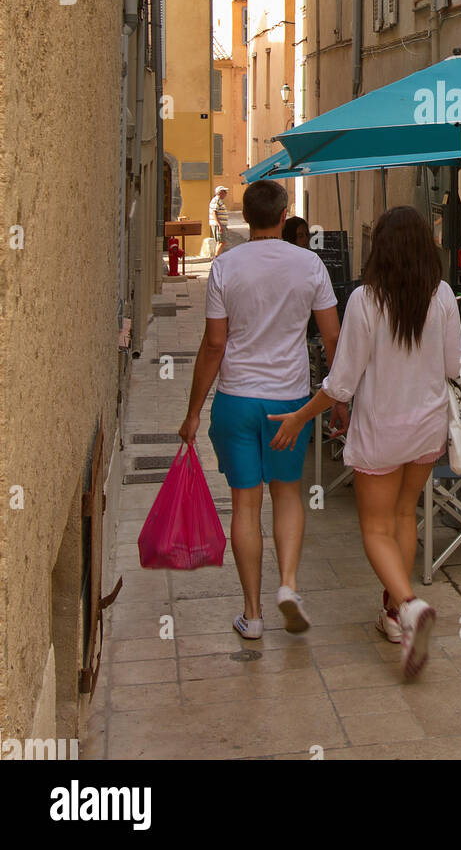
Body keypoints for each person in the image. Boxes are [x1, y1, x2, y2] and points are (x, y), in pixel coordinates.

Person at [267, 205, 461, 679]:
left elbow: (342, 383)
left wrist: (299, 416)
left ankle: (411, 606)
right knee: (403, 516)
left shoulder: (365, 300)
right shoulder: (442, 295)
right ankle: (395, 616)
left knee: (375, 529)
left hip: (381, 430)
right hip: (427, 429)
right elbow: (454, 366)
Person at [178, 179, 342, 640]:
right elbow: (332, 337)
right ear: (284, 211)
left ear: (245, 217)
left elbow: (214, 344)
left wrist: (193, 412)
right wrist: (338, 398)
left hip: (236, 399)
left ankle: (252, 615)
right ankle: (288, 585)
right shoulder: (309, 264)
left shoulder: (225, 266)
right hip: (289, 400)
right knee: (288, 493)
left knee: (245, 505)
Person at [208, 185, 230, 257]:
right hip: (217, 225)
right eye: (224, 192)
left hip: (220, 224)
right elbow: (214, 212)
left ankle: (217, 257)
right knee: (222, 242)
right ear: (220, 192)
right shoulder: (216, 200)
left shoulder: (219, 201)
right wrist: (219, 225)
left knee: (220, 241)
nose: (226, 193)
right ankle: (216, 258)